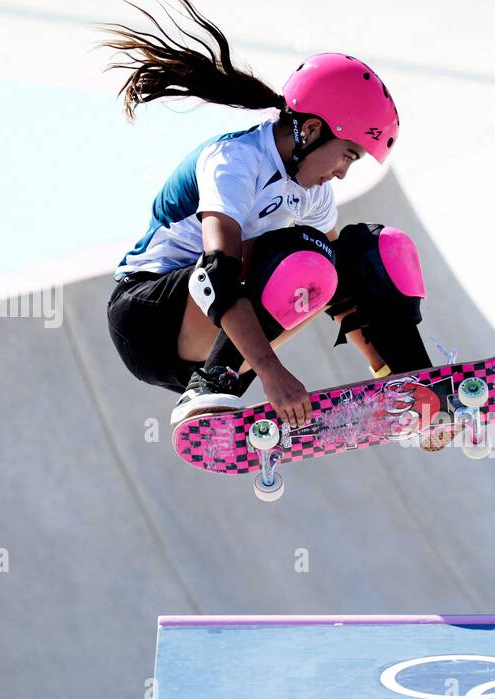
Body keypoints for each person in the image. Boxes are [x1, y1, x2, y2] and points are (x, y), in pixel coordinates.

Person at [100, 1, 432, 431]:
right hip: (147, 320)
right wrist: (272, 373)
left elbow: (343, 290)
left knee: (372, 249)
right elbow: (217, 272)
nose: (343, 173)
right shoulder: (235, 160)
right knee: (296, 253)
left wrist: (384, 375)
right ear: (312, 130)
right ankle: (212, 385)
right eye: (347, 155)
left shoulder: (315, 195)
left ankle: (417, 381)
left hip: (215, 326)